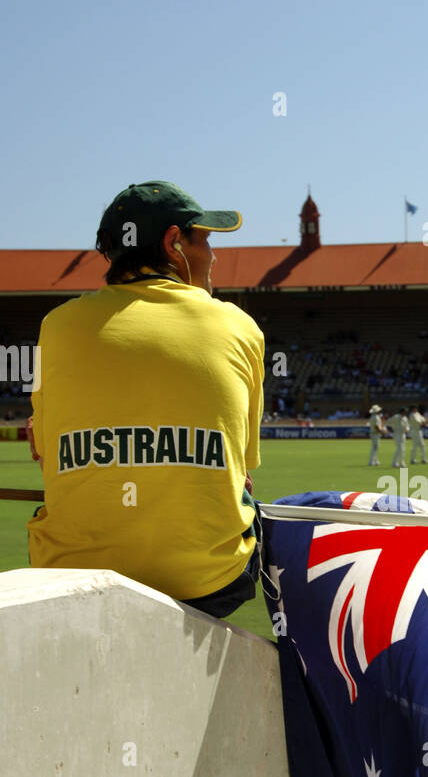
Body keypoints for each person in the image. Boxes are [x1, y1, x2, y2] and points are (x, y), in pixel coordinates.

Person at [26, 180, 265, 619]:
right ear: (174, 242)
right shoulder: (239, 326)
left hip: (71, 576)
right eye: (206, 240)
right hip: (207, 584)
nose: (214, 256)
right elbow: (242, 471)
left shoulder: (55, 326)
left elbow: (44, 452)